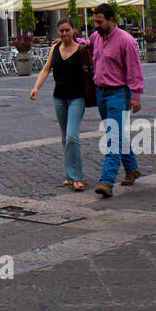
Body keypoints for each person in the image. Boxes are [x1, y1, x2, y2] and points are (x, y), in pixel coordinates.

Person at [88, 3, 144, 197]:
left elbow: (135, 70)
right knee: (116, 133)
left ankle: (106, 181)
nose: (95, 25)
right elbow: (87, 47)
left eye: (99, 21)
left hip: (118, 93)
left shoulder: (126, 41)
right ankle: (132, 169)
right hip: (100, 93)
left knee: (112, 136)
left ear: (111, 20)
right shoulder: (95, 37)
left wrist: (136, 96)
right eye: (94, 21)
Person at [29, 16, 87, 191]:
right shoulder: (55, 48)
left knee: (72, 136)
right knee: (64, 137)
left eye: (67, 30)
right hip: (59, 97)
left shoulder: (82, 49)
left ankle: (77, 177)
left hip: (77, 97)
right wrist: (36, 87)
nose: (64, 33)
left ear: (74, 30)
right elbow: (46, 69)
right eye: (61, 31)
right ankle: (70, 175)